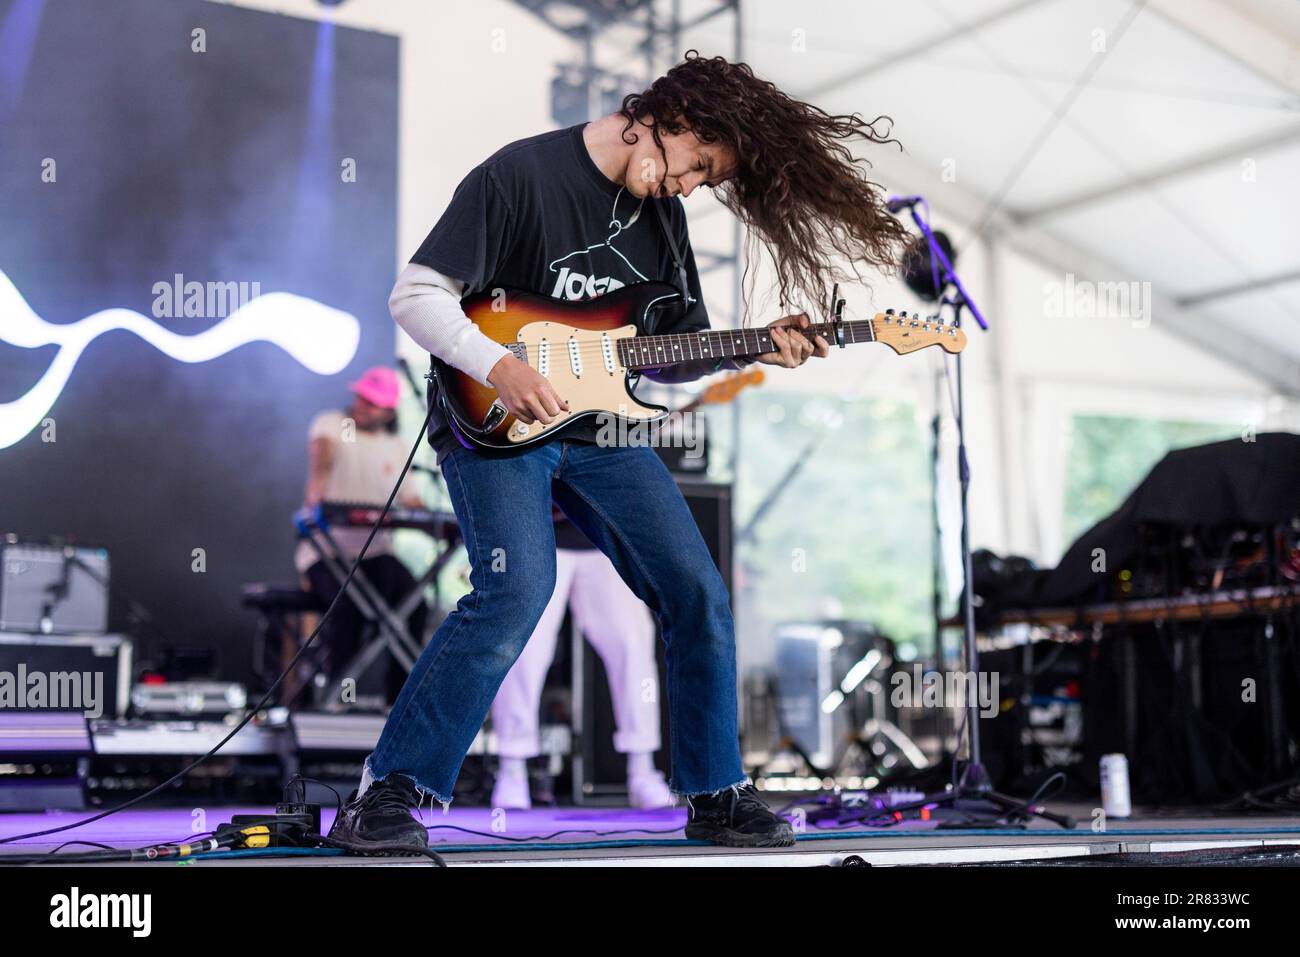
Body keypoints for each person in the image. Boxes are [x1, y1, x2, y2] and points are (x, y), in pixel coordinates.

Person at [328, 52, 908, 850]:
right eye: (698, 164)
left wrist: (754, 348)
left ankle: (715, 794)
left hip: (603, 434)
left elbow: (668, 356)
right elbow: (416, 294)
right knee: (515, 593)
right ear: (670, 119)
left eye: (709, 180)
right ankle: (388, 791)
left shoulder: (662, 222)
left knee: (698, 591)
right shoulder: (519, 176)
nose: (691, 186)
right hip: (494, 423)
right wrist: (500, 364)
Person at [490, 515, 672, 810]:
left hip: (603, 537)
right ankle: (512, 765)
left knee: (633, 646)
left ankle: (642, 768)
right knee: (523, 649)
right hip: (535, 533)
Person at [296, 366, 427, 703]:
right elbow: (322, 454)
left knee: (414, 604)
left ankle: (397, 703)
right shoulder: (332, 424)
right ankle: (337, 703)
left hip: (376, 552)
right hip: (329, 552)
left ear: (389, 411)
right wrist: (318, 487)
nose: (362, 407)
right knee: (349, 607)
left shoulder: (396, 446)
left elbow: (410, 499)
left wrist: (433, 516)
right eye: (361, 398)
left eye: (373, 403)